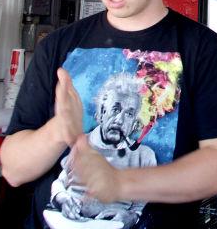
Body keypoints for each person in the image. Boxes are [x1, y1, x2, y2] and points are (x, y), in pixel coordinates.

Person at [0, 0, 217, 229]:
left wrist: (120, 184)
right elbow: (13, 170)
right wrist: (59, 129)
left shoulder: (203, 49)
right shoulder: (58, 47)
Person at [49, 73, 157, 228]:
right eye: (115, 109)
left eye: (129, 114)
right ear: (100, 113)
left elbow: (141, 207)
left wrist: (131, 217)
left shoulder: (144, 156)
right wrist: (62, 198)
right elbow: (60, 182)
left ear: (134, 124)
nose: (119, 120)